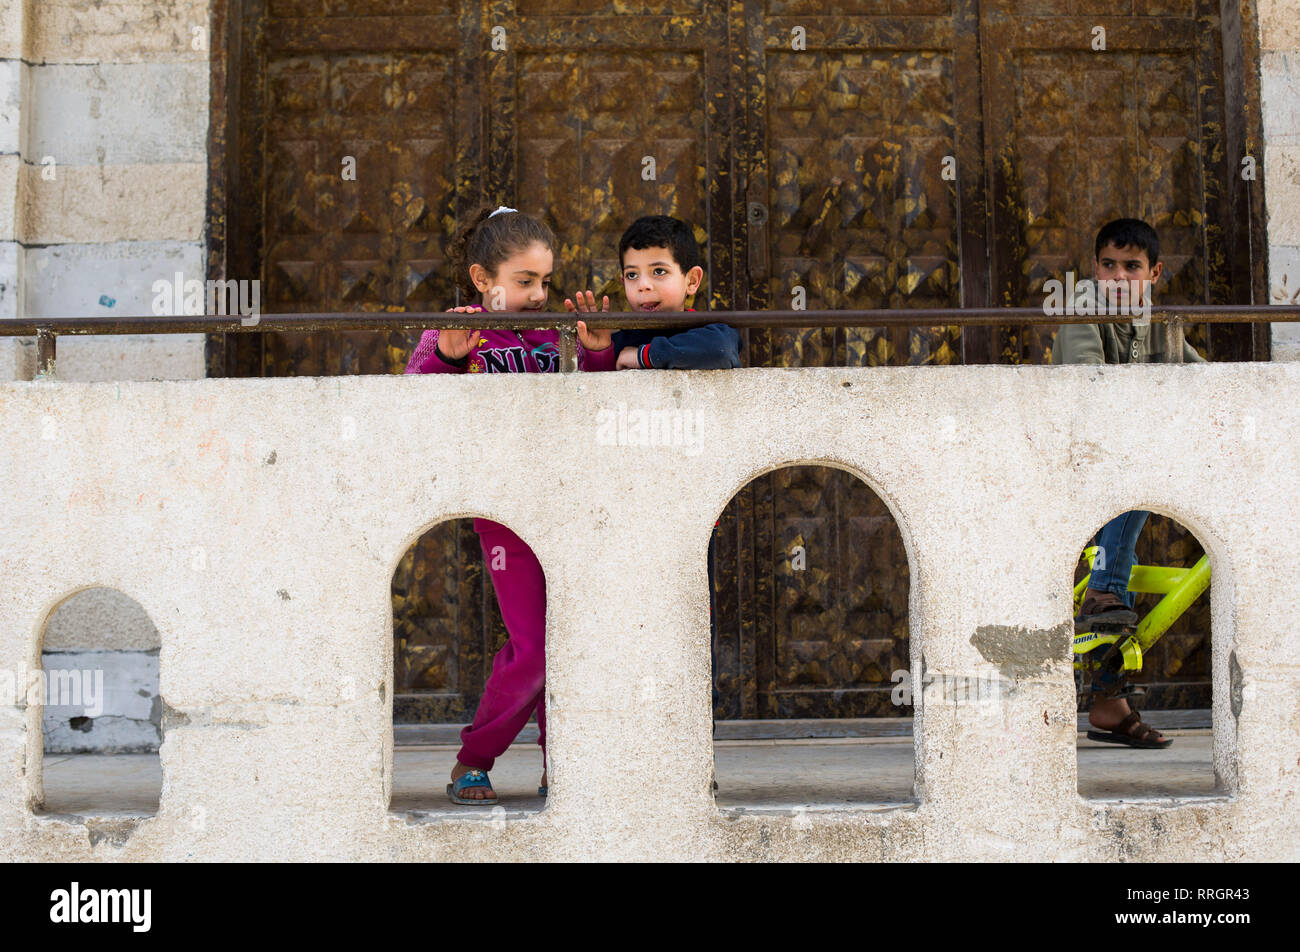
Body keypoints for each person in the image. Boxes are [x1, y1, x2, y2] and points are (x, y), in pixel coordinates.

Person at [404, 204, 616, 803]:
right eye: (524, 282)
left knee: (570, 639)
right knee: (536, 648)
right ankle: (473, 757)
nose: (538, 294)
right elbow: (412, 410)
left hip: (569, 507)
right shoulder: (455, 332)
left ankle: (561, 762)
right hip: (505, 516)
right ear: (482, 280)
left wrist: (596, 352)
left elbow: (594, 408)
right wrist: (445, 357)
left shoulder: (555, 333)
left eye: (544, 281)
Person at [1053, 217, 1205, 749]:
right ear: (1094, 269)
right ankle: (1105, 589)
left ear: (1154, 273)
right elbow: (1093, 390)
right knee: (1135, 468)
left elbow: (1203, 379)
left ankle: (1109, 706)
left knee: (1142, 462)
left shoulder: (1159, 323)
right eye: (1108, 265)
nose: (1118, 277)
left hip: (1128, 451)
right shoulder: (1080, 312)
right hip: (1076, 455)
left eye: (1132, 267)